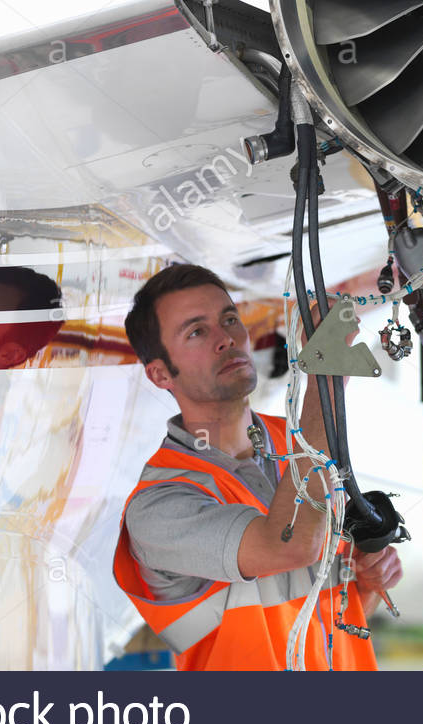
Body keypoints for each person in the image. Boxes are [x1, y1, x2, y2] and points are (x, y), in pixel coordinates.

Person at [113, 263, 402, 670]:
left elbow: (330, 609)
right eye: (197, 331)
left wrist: (367, 583)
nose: (225, 339)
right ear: (161, 374)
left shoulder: (299, 440)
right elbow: (290, 544)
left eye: (230, 319)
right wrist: (326, 376)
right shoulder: (159, 506)